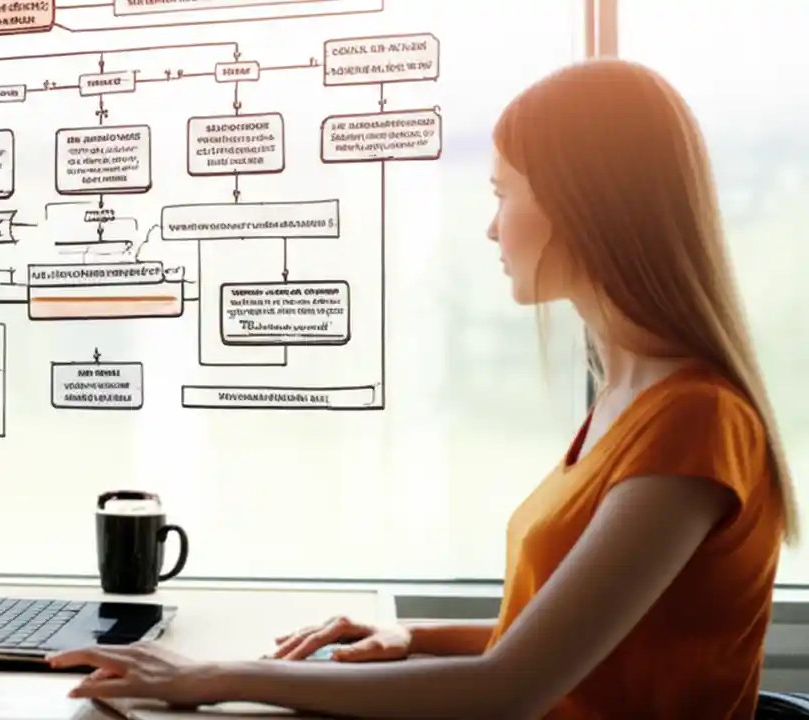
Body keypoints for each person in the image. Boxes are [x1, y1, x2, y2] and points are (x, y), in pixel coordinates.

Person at [47, 57, 799, 718]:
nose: (491, 228)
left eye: (503, 193)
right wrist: (412, 636)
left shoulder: (695, 422)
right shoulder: (626, 400)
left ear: (583, 203)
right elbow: (568, 638)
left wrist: (222, 677)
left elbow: (511, 690)